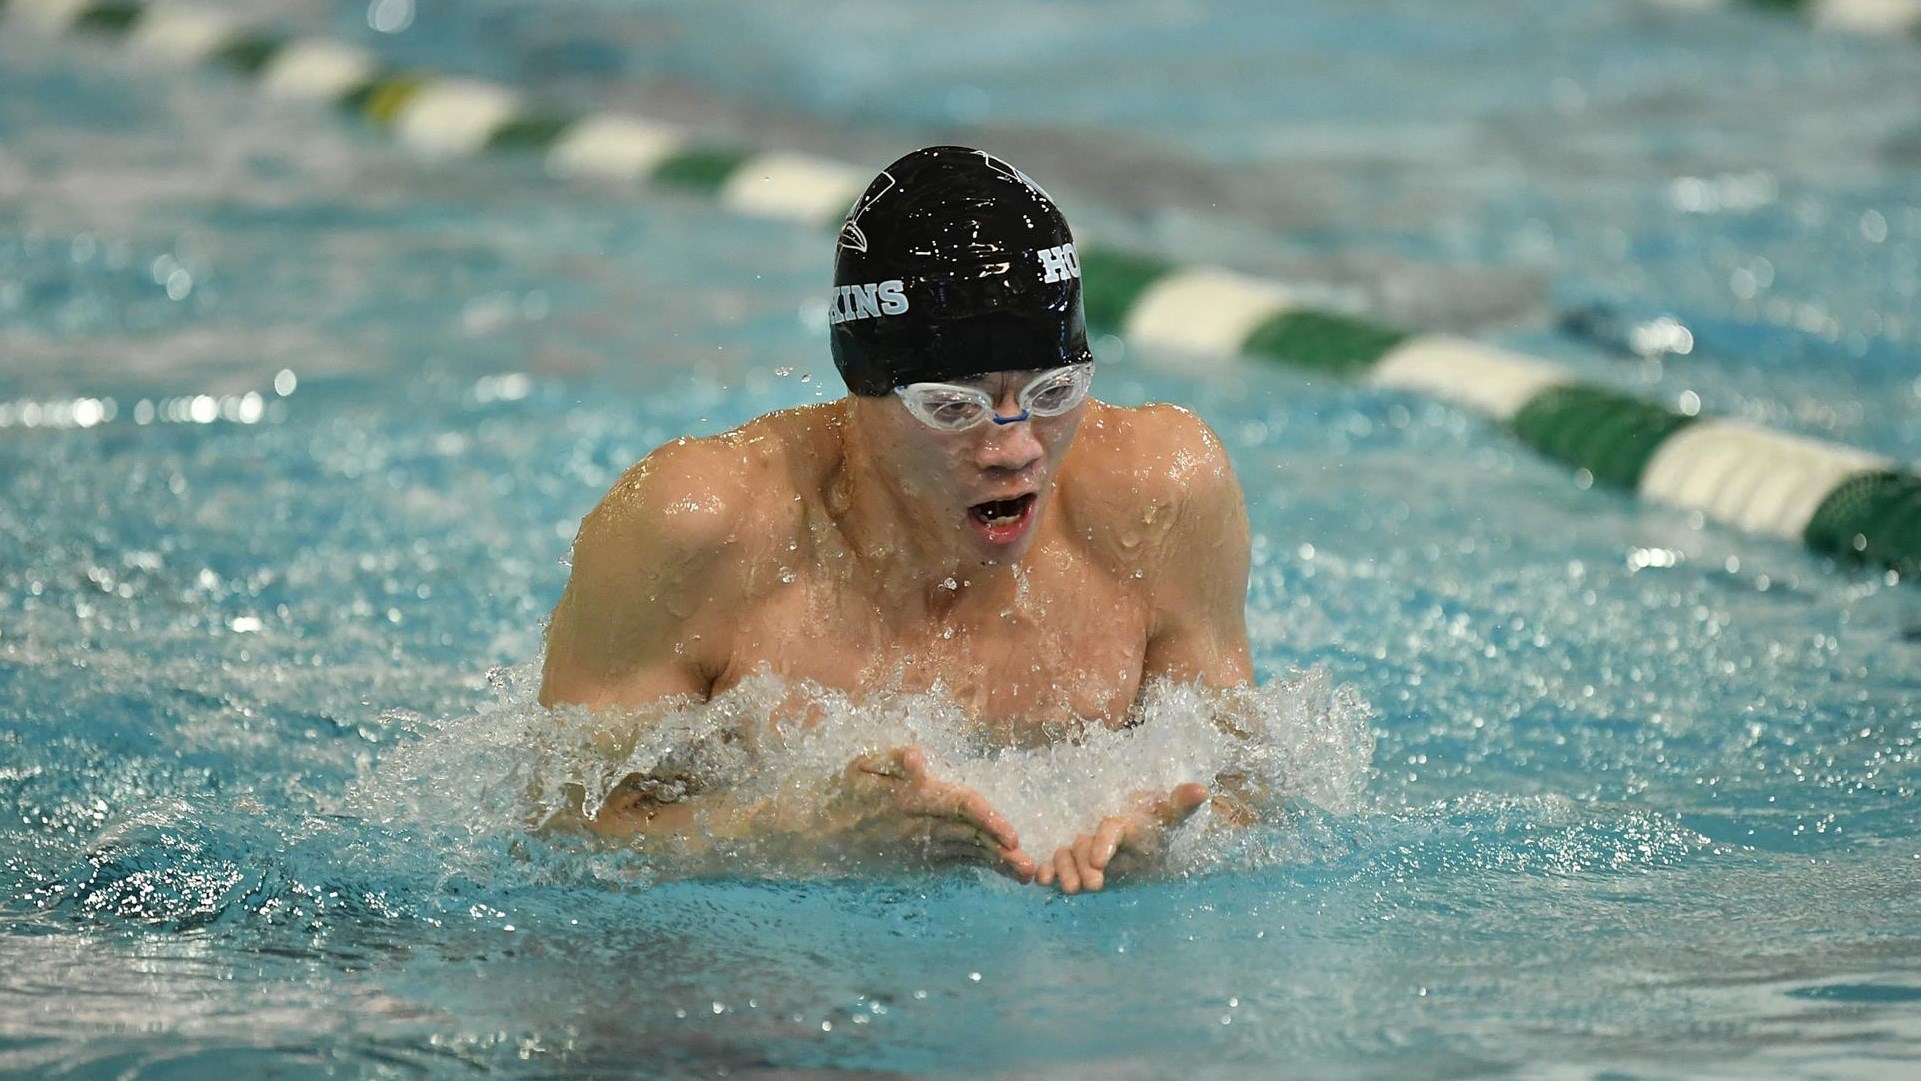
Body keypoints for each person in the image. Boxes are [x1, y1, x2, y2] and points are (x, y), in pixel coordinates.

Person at [538, 146, 1253, 893]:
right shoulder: (699, 528)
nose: (1015, 449)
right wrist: (793, 835)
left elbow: (1250, 788)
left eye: (1052, 393)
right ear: (863, 386)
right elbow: (557, 824)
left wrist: (1170, 845)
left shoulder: (1161, 496)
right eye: (952, 407)